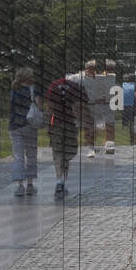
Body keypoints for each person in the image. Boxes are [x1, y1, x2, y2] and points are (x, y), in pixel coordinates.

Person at [46, 71, 89, 199]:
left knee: (58, 153)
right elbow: (78, 107)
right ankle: (62, 181)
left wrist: (48, 122)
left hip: (56, 123)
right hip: (70, 124)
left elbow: (50, 106)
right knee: (67, 153)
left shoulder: (54, 85)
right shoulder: (76, 88)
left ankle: (59, 181)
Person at [8, 67, 43, 197]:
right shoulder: (34, 89)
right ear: (28, 77)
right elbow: (39, 107)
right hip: (29, 125)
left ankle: (19, 186)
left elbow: (10, 108)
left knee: (18, 156)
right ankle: (30, 185)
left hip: (15, 126)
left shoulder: (14, 89)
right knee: (31, 156)